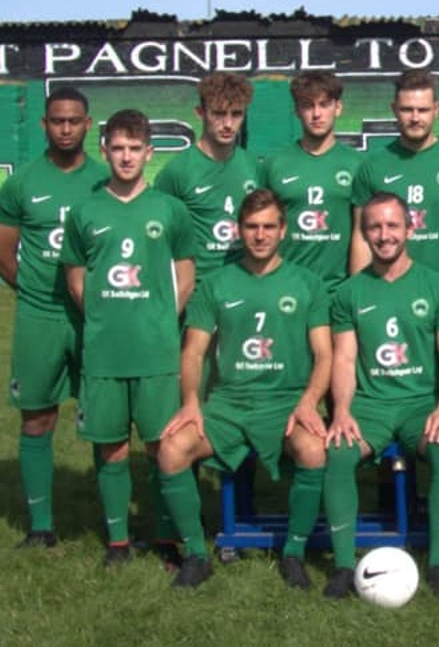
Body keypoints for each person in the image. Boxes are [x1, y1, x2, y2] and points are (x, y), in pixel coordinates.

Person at [156, 189, 331, 589]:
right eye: (251, 227)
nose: (260, 235)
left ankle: (294, 553)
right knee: (171, 450)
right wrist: (190, 403)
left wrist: (308, 401)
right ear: (238, 230)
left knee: (313, 449)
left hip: (285, 401)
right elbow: (194, 350)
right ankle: (197, 555)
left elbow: (324, 355)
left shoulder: (308, 284)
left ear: (283, 230)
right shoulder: (215, 283)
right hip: (228, 405)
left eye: (269, 226)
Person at [59, 109, 196, 566]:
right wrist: (103, 316)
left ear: (149, 153)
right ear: (105, 150)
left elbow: (185, 275)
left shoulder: (169, 210)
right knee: (111, 444)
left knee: (162, 446)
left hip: (157, 350)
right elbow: (76, 279)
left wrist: (160, 318)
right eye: (117, 148)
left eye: (135, 148)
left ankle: (164, 534)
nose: (126, 157)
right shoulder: (85, 212)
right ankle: (118, 540)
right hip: (104, 350)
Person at [323, 193, 439, 599]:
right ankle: (343, 566)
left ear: (410, 229)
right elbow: (345, 360)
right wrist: (343, 411)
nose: (384, 236)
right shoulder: (349, 293)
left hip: (422, 404)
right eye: (375, 227)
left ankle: (438, 565)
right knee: (338, 453)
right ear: (364, 233)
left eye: (392, 226)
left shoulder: (436, 285)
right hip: (370, 406)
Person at [0, 87, 108, 548]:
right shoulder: (21, 182)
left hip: (94, 318)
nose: (65, 128)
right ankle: (42, 526)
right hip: (39, 315)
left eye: (74, 121)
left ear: (87, 124)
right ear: (44, 124)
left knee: (105, 418)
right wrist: (40, 293)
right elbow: (2, 257)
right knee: (37, 418)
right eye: (57, 121)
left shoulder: (104, 180)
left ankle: (112, 525)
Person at [349, 69, 439, 279]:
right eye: (407, 110)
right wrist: (359, 293)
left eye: (423, 110)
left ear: (436, 110)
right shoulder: (372, 166)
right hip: (387, 291)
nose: (415, 118)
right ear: (394, 110)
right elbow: (361, 237)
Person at [261, 70, 363, 291]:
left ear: (338, 107)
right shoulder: (274, 165)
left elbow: (362, 234)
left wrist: (355, 292)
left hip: (337, 291)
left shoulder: (358, 165)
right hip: (286, 289)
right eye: (308, 105)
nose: (317, 114)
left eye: (324, 104)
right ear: (297, 111)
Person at [154, 72, 259, 281]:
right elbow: (160, 238)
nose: (228, 124)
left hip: (245, 285)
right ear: (200, 112)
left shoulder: (254, 166)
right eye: (219, 114)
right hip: (198, 291)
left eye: (236, 114)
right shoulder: (177, 171)